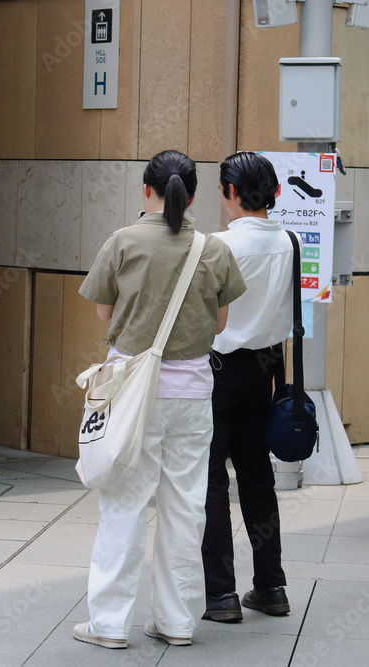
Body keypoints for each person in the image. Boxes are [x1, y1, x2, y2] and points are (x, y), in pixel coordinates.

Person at [73, 150, 247, 649]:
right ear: (192, 195)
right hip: (192, 393)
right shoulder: (214, 250)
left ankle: (108, 624)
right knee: (186, 508)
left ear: (146, 190)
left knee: (124, 504)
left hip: (132, 393)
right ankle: (175, 621)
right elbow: (220, 325)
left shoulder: (124, 241)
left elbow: (105, 315)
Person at [201, 152, 293, 622]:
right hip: (265, 372)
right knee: (258, 478)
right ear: (274, 193)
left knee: (213, 482)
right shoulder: (290, 241)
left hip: (217, 371)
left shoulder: (216, 245)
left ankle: (221, 596)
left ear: (230, 193)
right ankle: (271, 586)